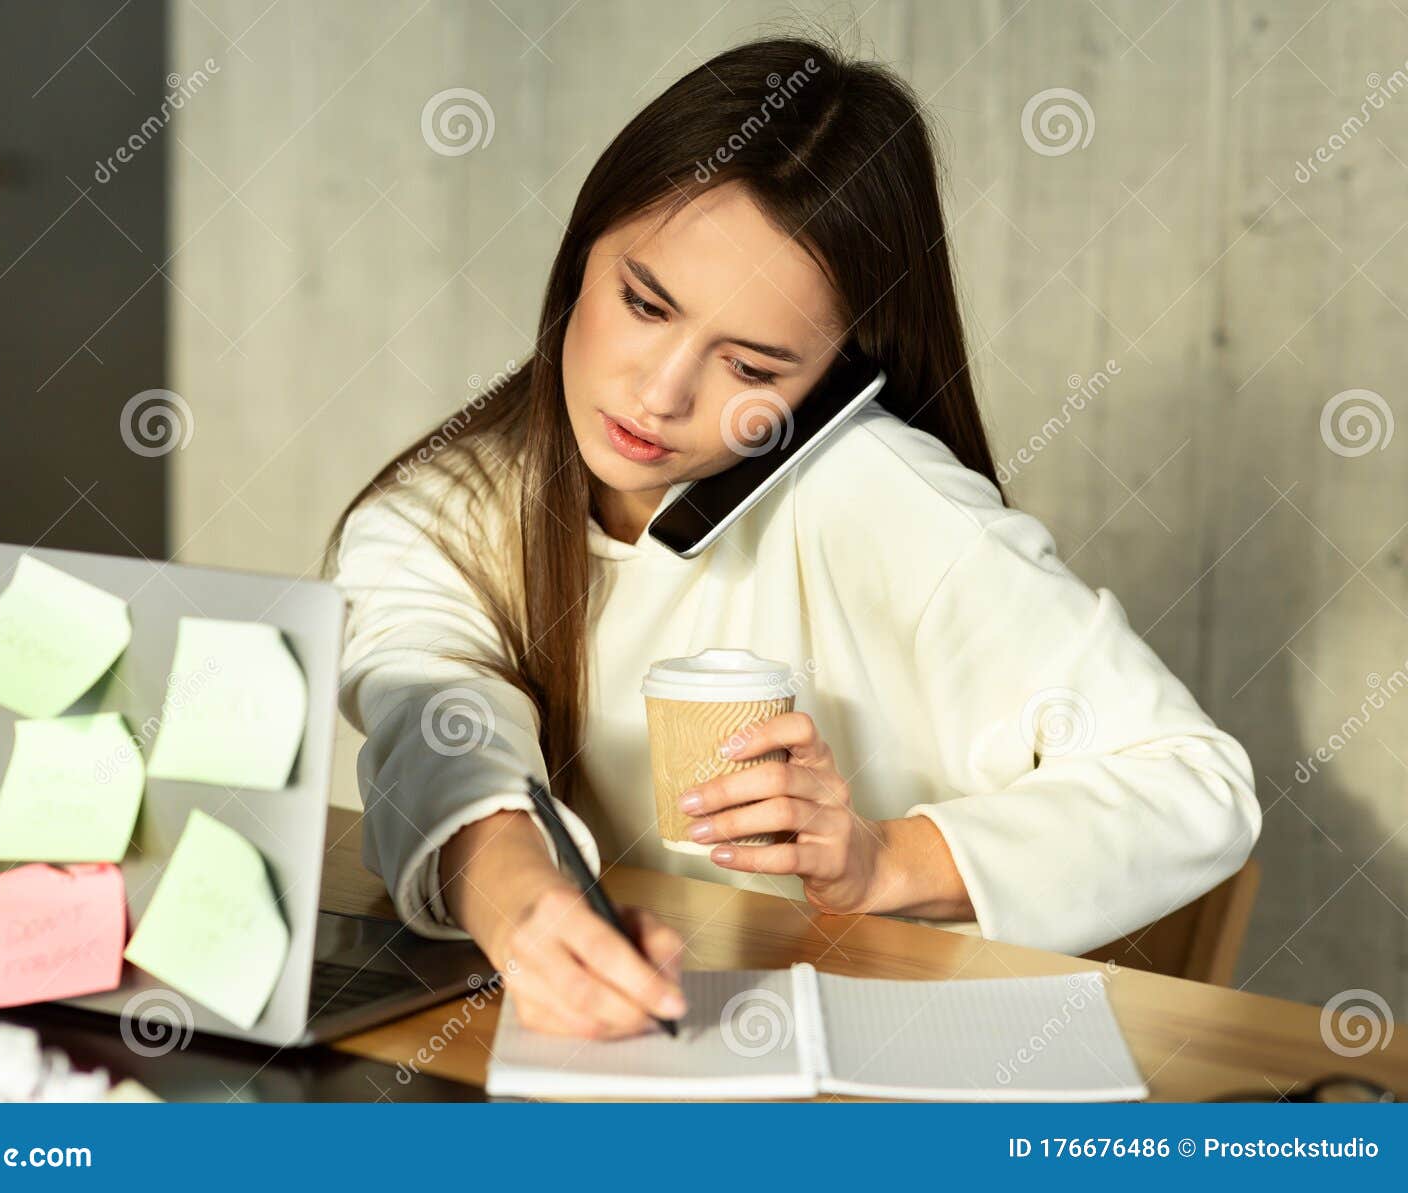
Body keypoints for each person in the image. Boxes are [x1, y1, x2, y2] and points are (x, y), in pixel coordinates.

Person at [324, 35, 1260, 1040]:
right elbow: (435, 718)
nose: (661, 391)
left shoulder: (874, 492)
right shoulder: (439, 514)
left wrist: (883, 858)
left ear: (830, 380)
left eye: (753, 366)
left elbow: (1195, 784)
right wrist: (523, 906)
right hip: (622, 1052)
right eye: (643, 303)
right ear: (577, 258)